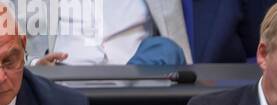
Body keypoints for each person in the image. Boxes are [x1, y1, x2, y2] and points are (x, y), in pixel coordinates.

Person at [25, 0, 192, 66]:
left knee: (165, 49)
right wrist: (36, 64)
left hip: (136, 86)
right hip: (64, 84)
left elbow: (177, 44)